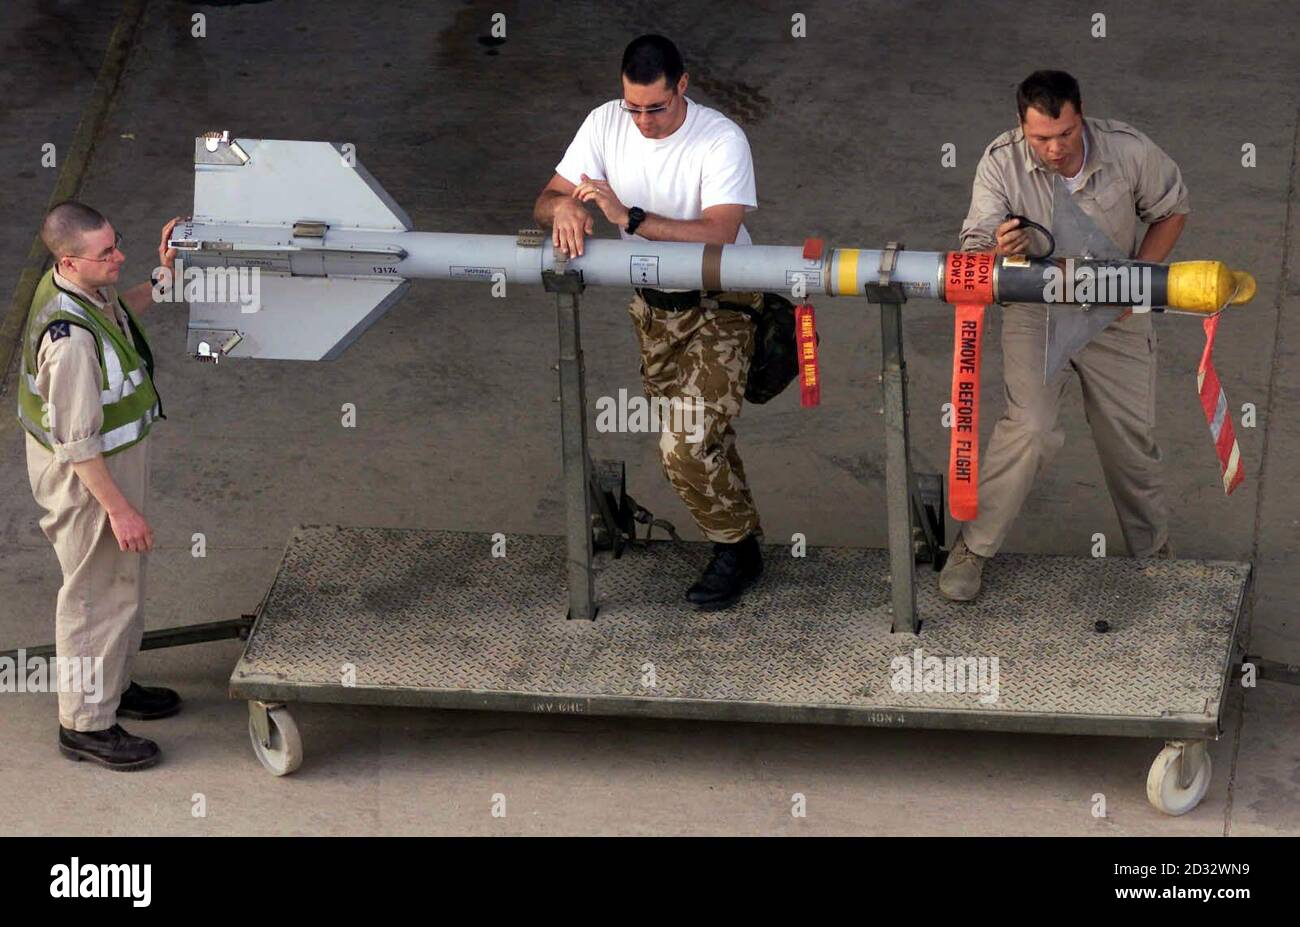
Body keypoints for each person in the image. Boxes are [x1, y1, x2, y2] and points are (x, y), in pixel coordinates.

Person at [533, 34, 766, 610]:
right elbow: (548, 195)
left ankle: (735, 549)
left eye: (655, 108)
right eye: (632, 106)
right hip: (655, 308)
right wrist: (561, 206)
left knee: (684, 443)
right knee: (702, 437)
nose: (641, 121)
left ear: (682, 87)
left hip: (722, 300)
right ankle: (741, 535)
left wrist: (627, 216)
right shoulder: (606, 122)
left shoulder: (720, 138)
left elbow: (721, 231)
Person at [940, 70, 1188, 602]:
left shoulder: (1128, 150)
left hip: (1114, 310)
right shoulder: (1000, 161)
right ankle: (973, 548)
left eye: (1066, 134)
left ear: (1082, 117)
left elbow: (1172, 211)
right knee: (1029, 429)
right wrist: (1001, 248)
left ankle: (1154, 554)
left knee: (1130, 442)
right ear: (1021, 128)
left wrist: (1137, 283)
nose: (1054, 148)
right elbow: (974, 253)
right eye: (1041, 139)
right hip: (1037, 310)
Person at [18, 201, 186, 768]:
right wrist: (120, 510)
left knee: (121, 583)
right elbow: (78, 445)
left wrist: (167, 275)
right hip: (90, 480)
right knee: (95, 595)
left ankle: (111, 684)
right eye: (107, 253)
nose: (119, 257)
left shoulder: (82, 291)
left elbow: (125, 314)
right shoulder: (68, 344)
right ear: (71, 260)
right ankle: (86, 725)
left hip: (110, 465)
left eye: (117, 243)